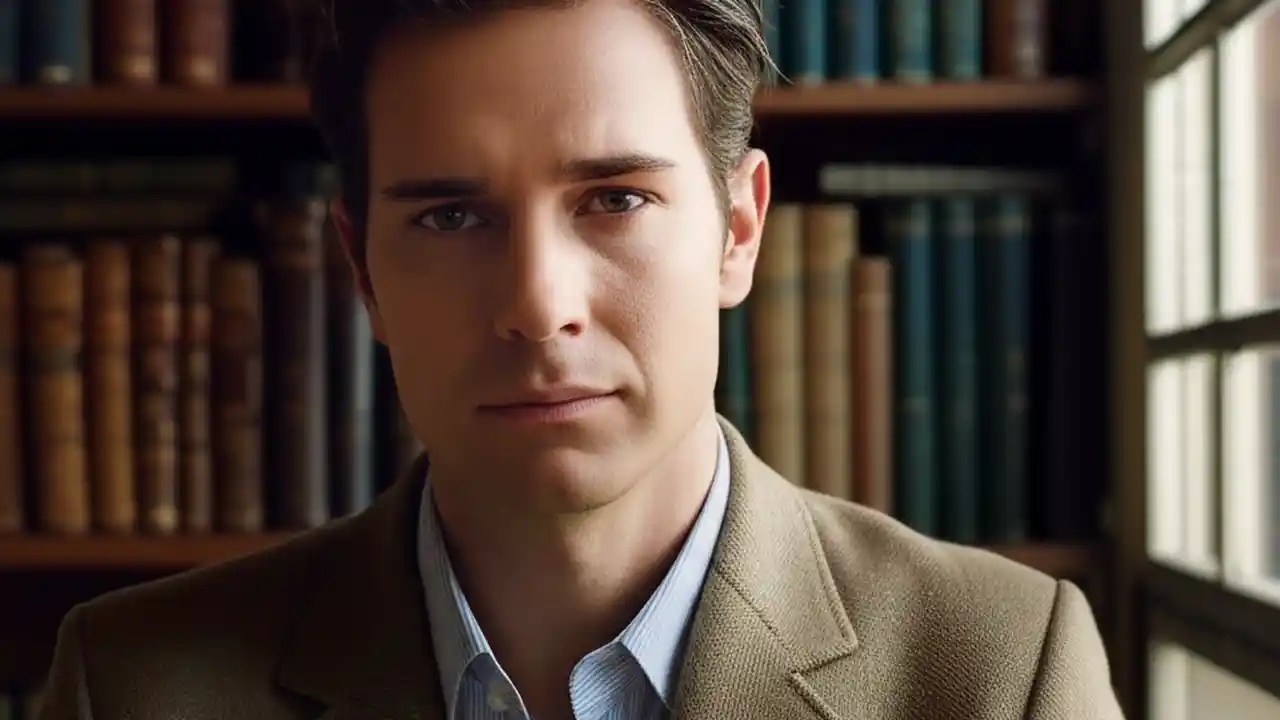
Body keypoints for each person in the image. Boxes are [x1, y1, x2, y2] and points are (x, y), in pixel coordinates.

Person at [40, 0, 1126, 718]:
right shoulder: (132, 683)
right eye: (451, 217)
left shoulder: (997, 670)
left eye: (614, 200)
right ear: (359, 269)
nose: (535, 307)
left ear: (737, 231)